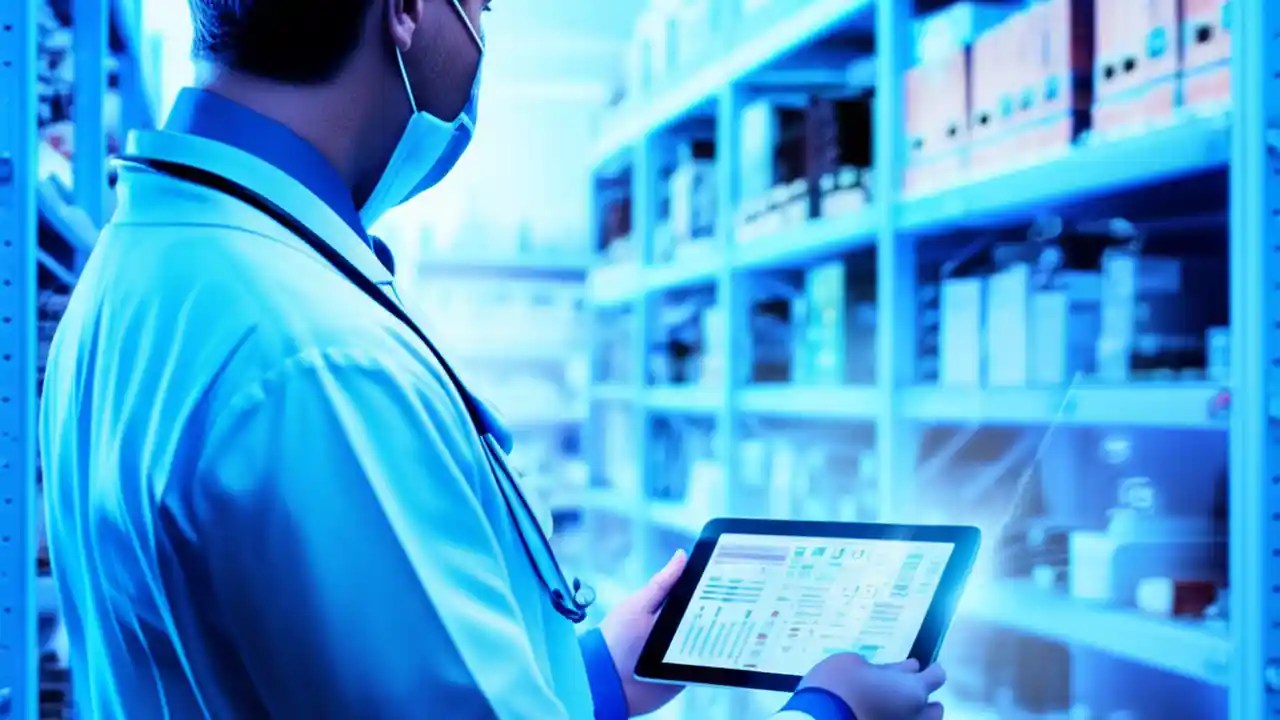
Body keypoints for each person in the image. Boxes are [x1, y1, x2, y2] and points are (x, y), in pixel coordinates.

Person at [38, 0, 948, 718]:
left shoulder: (144, 266)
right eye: (480, 7)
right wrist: (832, 709)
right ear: (406, 8)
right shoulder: (319, 361)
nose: (481, 45)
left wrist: (598, 672)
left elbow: (321, 674)